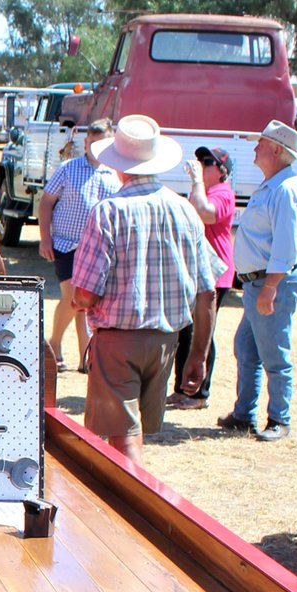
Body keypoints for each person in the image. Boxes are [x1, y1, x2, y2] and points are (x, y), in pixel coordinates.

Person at [71, 115, 221, 467]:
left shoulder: (108, 212)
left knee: (123, 440)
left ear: (118, 164)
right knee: (132, 431)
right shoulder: (186, 211)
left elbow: (86, 293)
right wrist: (197, 356)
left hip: (119, 340)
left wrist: (78, 301)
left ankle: (129, 500)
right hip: (166, 341)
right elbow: (207, 292)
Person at [217, 119, 297, 442]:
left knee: (273, 355)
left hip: (271, 283)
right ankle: (244, 414)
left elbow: (285, 245)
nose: (255, 148)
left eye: (261, 143)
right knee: (247, 348)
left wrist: (270, 288)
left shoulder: (285, 189)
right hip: (261, 283)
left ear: (276, 150)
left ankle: (279, 419)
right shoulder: (276, 185)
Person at [36, 118, 119, 372]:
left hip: (97, 248)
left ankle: (85, 356)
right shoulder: (68, 169)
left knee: (86, 302)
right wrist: (45, 237)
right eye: (92, 142)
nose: (96, 148)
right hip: (66, 244)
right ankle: (55, 343)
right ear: (85, 143)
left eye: (101, 143)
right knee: (73, 296)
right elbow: (46, 202)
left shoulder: (115, 175)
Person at [167, 146, 236, 409]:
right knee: (187, 331)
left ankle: (199, 394)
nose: (200, 165)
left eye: (207, 162)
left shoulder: (223, 193)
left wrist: (196, 181)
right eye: (199, 160)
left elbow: (204, 212)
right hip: (197, 271)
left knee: (203, 332)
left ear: (222, 171)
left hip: (216, 273)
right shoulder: (204, 191)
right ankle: (182, 388)